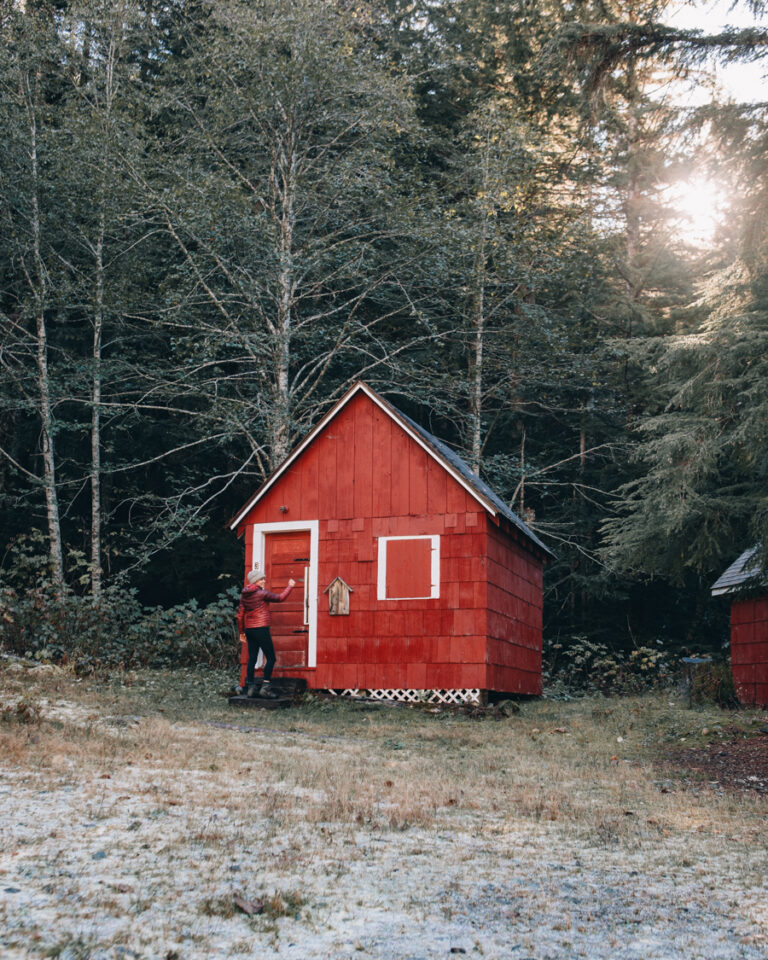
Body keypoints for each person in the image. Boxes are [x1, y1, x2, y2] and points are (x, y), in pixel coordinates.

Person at [236, 566, 295, 698]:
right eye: (261, 579)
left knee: (252, 658)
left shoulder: (244, 595)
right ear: (255, 581)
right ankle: (265, 688)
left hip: (249, 630)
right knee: (271, 658)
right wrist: (290, 586)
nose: (264, 581)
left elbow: (240, 615)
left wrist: (241, 632)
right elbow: (280, 598)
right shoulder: (261, 593)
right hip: (261, 628)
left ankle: (250, 688)